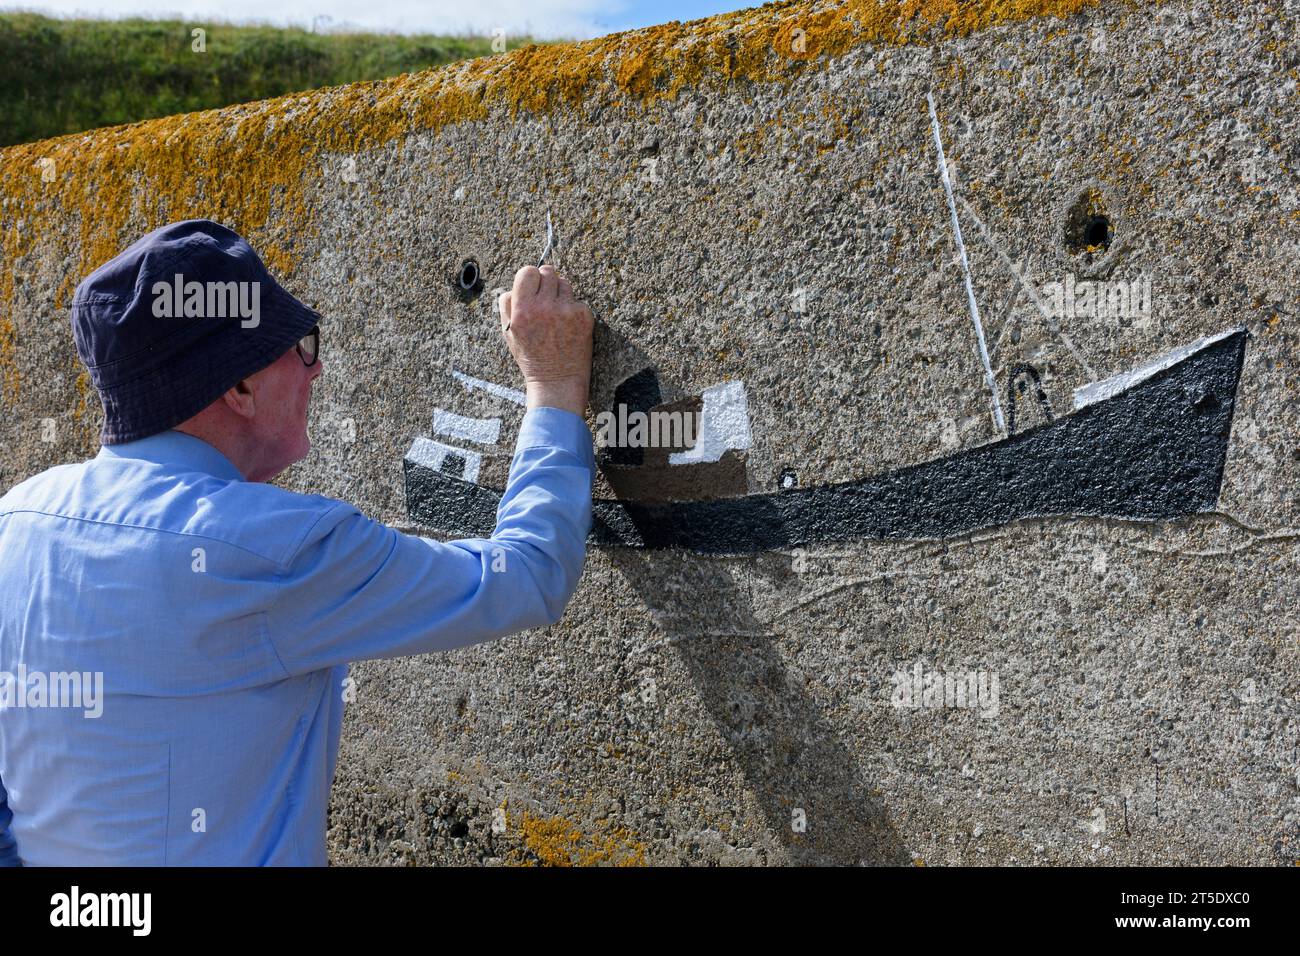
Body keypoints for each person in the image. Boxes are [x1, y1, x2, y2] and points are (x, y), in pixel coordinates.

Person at [0, 219, 595, 865]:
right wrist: (554, 386)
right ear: (241, 387)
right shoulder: (275, 550)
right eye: (301, 346)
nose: (316, 372)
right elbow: (527, 577)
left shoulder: (18, 521)